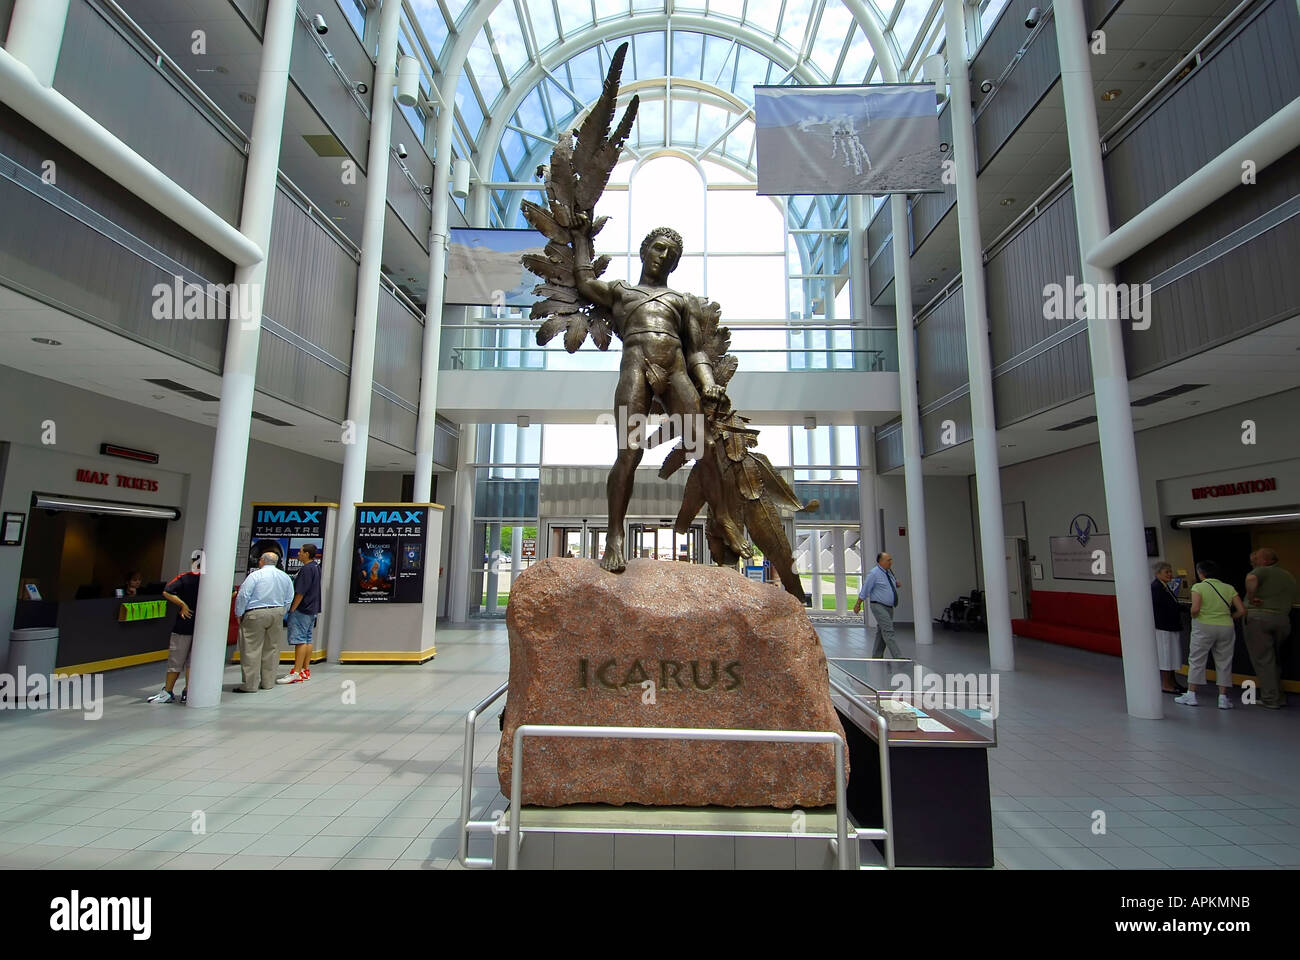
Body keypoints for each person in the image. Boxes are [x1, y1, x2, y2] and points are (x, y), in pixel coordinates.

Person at [1176, 560, 1244, 709]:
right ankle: (1223, 698)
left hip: (1203, 626)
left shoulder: (1198, 587)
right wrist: (1229, 617)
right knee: (1224, 662)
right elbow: (1241, 610)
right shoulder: (1229, 588)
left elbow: (1195, 609)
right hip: (1226, 626)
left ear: (1201, 573)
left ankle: (1191, 695)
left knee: (1197, 660)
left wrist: (1195, 616)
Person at [233, 551, 294, 693]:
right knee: (272, 648)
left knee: (251, 649)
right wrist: (282, 611)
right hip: (277, 612)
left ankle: (250, 685)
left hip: (255, 613)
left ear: (262, 561)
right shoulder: (284, 577)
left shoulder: (255, 576)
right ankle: (268, 682)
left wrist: (239, 613)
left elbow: (243, 595)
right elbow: (289, 597)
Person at [1243, 547, 1296, 709]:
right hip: (1282, 620)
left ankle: (1270, 699)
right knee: (1275, 659)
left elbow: (1251, 578)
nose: (1253, 561)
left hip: (1259, 619)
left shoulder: (1262, 571)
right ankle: (1279, 696)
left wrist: (1252, 598)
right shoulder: (1288, 575)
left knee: (1263, 660)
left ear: (1266, 561)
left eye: (1256, 559)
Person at [147, 553, 202, 704]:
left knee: (176, 660)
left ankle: (168, 691)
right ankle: (188, 691)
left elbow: (167, 591)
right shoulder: (214, 580)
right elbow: (232, 591)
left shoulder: (185, 578)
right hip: (203, 626)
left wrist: (182, 605)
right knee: (193, 661)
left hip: (184, 624)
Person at [278, 543, 321, 685]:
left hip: (302, 609)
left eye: (301, 552)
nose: (298, 554)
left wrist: (292, 608)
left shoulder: (307, 569)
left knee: (300, 640)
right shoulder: (315, 567)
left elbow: (301, 591)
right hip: (312, 608)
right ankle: (304, 670)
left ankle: (296, 672)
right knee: (308, 639)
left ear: (307, 554)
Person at [853, 552, 904, 658]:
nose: (891, 562)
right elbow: (865, 589)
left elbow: (889, 585)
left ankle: (877, 656)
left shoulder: (888, 572)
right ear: (880, 562)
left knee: (882, 631)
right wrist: (858, 604)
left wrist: (896, 584)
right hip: (878, 606)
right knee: (888, 630)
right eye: (888, 560)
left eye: (890, 560)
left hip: (889, 607)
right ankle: (898, 656)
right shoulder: (874, 573)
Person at [1150, 561, 1184, 694]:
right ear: (1158, 574)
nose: (1170, 574)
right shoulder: (1156, 587)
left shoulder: (1165, 587)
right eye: (1166, 572)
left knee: (1172, 655)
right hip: (1163, 626)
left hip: (1170, 626)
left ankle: (1172, 682)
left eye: (1170, 572)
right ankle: (1166, 683)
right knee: (1165, 655)